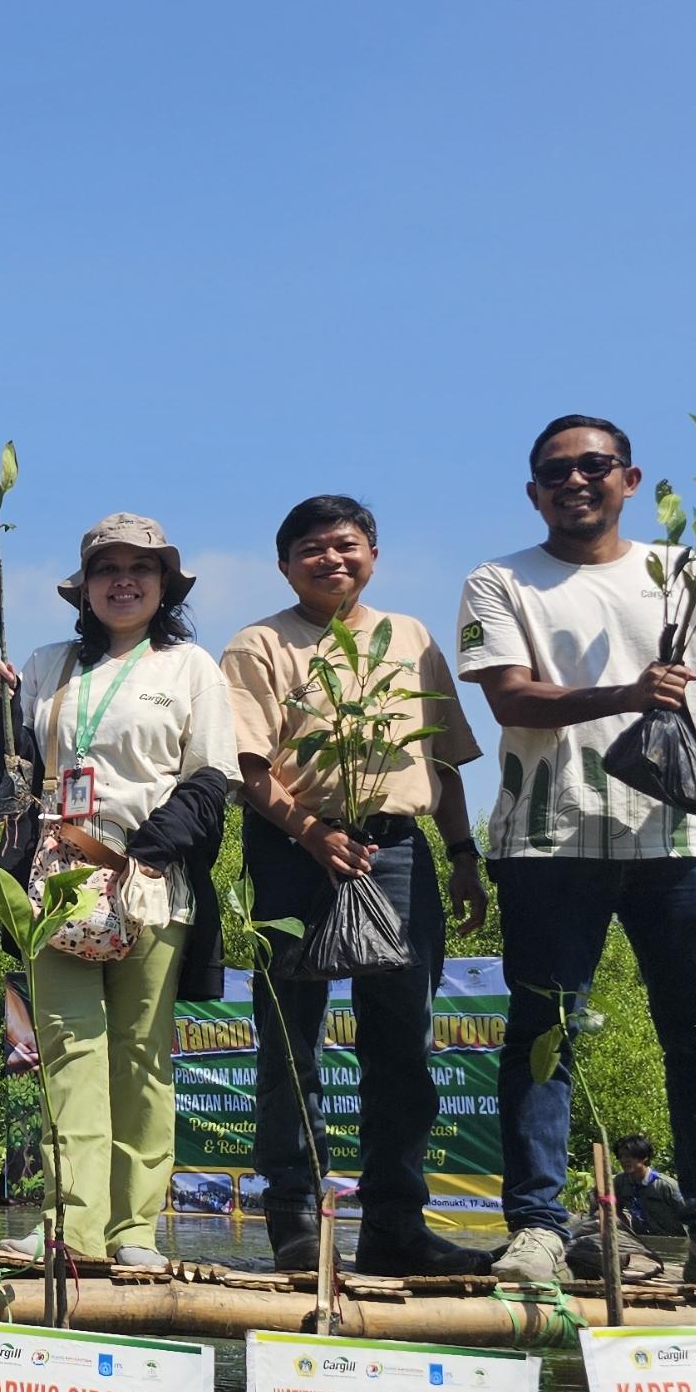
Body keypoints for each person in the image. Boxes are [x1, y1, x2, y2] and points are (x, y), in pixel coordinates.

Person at [459, 414, 696, 1291]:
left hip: (678, 837)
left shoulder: (682, 570)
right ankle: (536, 1225)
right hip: (548, 836)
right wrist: (626, 692)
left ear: (630, 477)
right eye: (554, 471)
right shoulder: (499, 581)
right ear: (532, 490)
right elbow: (511, 700)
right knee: (543, 1032)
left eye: (593, 465)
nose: (575, 480)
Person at [221, 495, 498, 1278]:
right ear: (283, 565)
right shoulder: (257, 644)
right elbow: (246, 766)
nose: (329, 560)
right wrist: (309, 832)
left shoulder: (407, 638)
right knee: (290, 1043)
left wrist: (463, 854)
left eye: (344, 545)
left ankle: (395, 1225)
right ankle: (295, 1224)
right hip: (292, 850)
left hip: (398, 850)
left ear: (372, 554)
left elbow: (440, 759)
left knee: (401, 1046)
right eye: (309, 549)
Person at [0, 514, 235, 1270]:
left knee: (140, 1056)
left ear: (164, 586)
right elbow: (15, 773)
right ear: (83, 588)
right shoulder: (46, 662)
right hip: (56, 885)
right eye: (105, 570)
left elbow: (210, 776)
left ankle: (131, 1232)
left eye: (139, 570)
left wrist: (144, 853)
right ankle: (68, 1223)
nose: (122, 582)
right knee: (68, 1052)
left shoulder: (190, 667)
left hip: (149, 883)